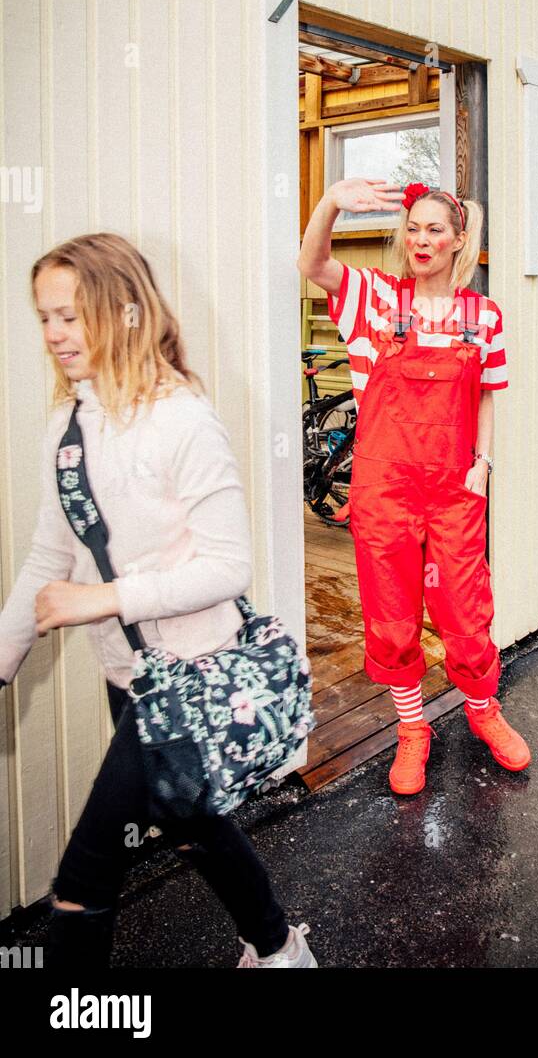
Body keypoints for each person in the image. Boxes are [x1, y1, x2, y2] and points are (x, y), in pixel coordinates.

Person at [0, 232, 316, 969]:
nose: (53, 334)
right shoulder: (69, 427)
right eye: (44, 317)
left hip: (189, 678)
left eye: (71, 316)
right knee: (193, 823)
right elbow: (51, 554)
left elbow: (228, 566)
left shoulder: (181, 420)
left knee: (81, 882)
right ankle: (279, 949)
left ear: (125, 312)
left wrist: (102, 598)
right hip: (129, 680)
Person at [298, 177, 530, 794]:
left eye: (436, 230)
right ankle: (412, 729)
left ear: (458, 242)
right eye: (414, 228)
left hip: (454, 485)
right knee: (393, 613)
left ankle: (483, 711)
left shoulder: (484, 316)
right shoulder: (374, 299)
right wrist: (331, 203)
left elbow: (485, 393)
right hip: (384, 487)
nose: (422, 239)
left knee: (463, 608)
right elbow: (312, 263)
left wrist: (483, 461)